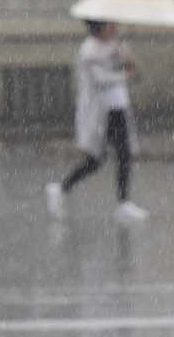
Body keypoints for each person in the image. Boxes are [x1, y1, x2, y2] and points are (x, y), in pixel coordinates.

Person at [46, 20, 148, 222]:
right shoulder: (89, 50)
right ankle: (61, 188)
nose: (115, 29)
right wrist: (124, 75)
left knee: (122, 154)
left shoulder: (115, 46)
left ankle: (123, 203)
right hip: (101, 111)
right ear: (99, 28)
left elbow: (135, 73)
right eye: (110, 26)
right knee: (97, 160)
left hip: (118, 107)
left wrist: (129, 60)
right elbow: (100, 80)